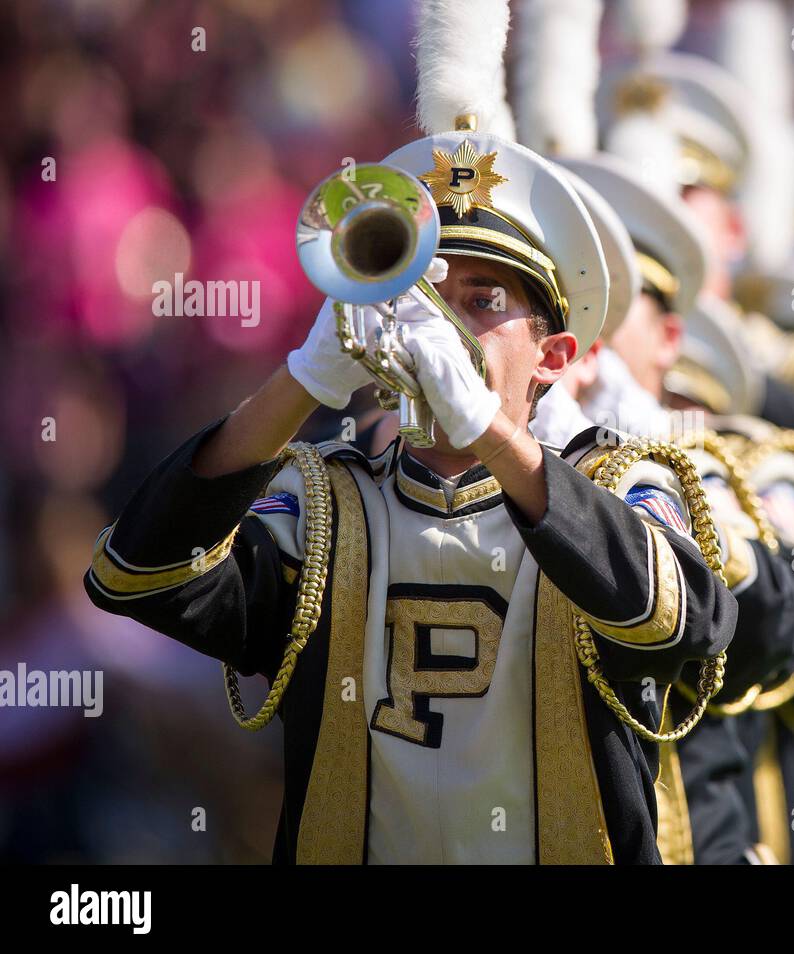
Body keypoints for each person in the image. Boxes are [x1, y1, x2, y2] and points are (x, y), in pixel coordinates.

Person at [83, 0, 736, 865]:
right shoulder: (331, 506)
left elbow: (684, 621)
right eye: (430, 294)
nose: (449, 326)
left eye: (485, 302)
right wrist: (304, 379)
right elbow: (134, 575)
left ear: (557, 355)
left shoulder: (619, 483)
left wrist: (489, 433)